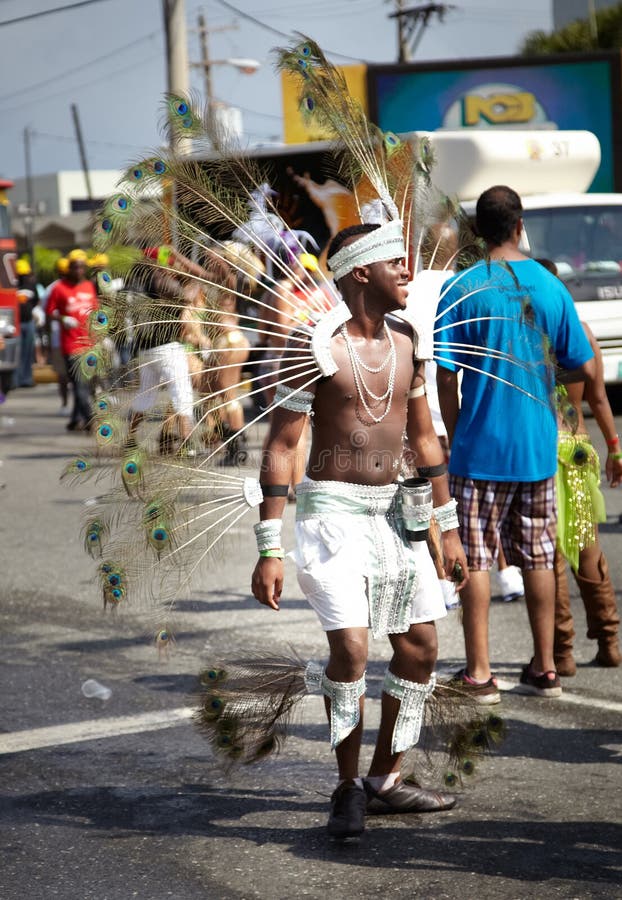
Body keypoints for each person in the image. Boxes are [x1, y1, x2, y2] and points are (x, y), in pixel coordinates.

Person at [252, 221, 468, 839]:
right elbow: (282, 446)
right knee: (349, 649)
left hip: (397, 515)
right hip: (333, 516)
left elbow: (424, 439)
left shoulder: (409, 340)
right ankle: (345, 786)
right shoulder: (314, 346)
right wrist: (270, 545)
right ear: (359, 274)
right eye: (394, 264)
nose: (407, 272)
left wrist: (447, 528)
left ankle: (384, 781)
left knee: (420, 649)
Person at [436, 185, 595, 703]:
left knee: (477, 561)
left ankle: (480, 674)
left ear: (477, 231)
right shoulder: (552, 286)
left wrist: (457, 432)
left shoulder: (460, 288)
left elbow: (443, 374)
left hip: (477, 448)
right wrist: (561, 415)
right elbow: (581, 364)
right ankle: (546, 667)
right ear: (520, 224)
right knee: (539, 556)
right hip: (535, 447)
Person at [535, 259, 622, 674]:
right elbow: (600, 399)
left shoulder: (527, 336)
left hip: (540, 452)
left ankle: (561, 653)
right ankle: (609, 641)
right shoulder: (582, 334)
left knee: (547, 551)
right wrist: (616, 450)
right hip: (580, 452)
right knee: (586, 541)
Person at [46, 253, 98, 431]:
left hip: (89, 344)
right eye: (75, 266)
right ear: (69, 268)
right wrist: (62, 319)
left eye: (82, 266)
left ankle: (75, 420)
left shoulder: (89, 287)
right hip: (71, 344)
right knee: (79, 384)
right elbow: (50, 311)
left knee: (86, 384)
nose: (79, 270)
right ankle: (90, 419)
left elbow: (96, 312)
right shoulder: (59, 288)